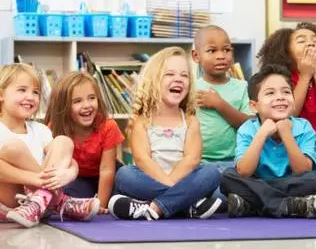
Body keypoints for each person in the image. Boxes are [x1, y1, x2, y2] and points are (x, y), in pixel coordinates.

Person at [108, 47, 222, 220]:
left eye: (184, 75)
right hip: (151, 181)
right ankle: (187, 205)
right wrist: (171, 186)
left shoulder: (190, 120)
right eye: (170, 74)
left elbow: (192, 159)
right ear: (154, 81)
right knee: (124, 175)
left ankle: (152, 207)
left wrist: (174, 181)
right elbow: (142, 160)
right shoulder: (142, 121)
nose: (178, 79)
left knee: (211, 172)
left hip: (184, 179)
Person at [0, 64, 99, 228]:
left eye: (35, 92)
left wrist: (69, 173)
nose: (30, 97)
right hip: (10, 202)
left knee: (63, 141)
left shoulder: (40, 130)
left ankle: (42, 200)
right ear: (1, 94)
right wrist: (35, 180)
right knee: (13, 148)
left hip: (39, 201)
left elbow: (68, 158)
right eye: (22, 90)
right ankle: (58, 200)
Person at [220, 64, 316, 218]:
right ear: (254, 106)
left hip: (288, 182)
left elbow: (302, 170)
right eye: (270, 93)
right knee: (228, 177)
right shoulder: (247, 129)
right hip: (258, 181)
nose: (280, 97)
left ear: (294, 101)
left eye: (286, 92)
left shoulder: (304, 127)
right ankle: (289, 205)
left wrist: (286, 134)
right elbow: (244, 171)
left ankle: (253, 204)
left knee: (314, 180)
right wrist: (261, 134)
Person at [44, 72, 125, 214]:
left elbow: (107, 170)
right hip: (78, 177)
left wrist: (101, 204)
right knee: (70, 193)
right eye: (77, 101)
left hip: (107, 174)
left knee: (124, 186)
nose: (87, 105)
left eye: (92, 98)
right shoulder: (55, 128)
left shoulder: (108, 126)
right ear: (63, 107)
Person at [192, 25, 253, 202]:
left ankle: (209, 201)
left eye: (226, 50)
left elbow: (249, 125)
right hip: (198, 164)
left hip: (233, 164)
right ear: (196, 56)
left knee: (224, 195)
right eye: (212, 50)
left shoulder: (242, 87)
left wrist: (220, 104)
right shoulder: (191, 88)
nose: (221, 56)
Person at [257, 22, 316, 134]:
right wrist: (305, 76)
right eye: (301, 41)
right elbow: (289, 113)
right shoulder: (282, 79)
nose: (311, 44)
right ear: (286, 52)